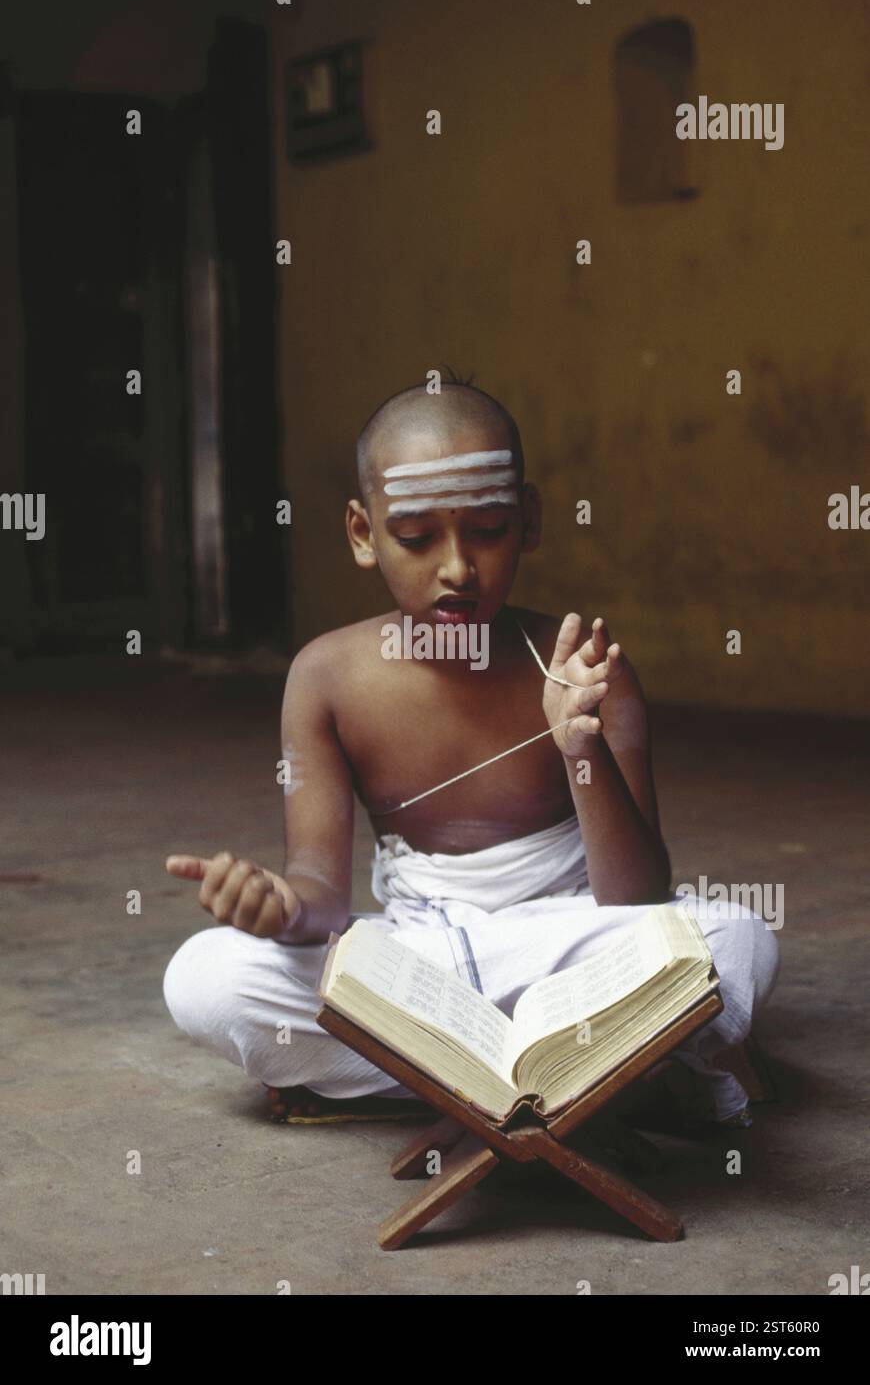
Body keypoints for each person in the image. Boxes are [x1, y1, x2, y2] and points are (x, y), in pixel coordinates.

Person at [162, 380, 779, 1125]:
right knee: (204, 977)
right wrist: (282, 907)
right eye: (416, 538)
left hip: (570, 945)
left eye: (487, 528)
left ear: (530, 521)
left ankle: (430, 1077)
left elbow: (636, 898)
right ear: (362, 533)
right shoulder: (325, 677)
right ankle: (604, 1072)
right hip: (424, 957)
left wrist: (578, 746)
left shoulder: (582, 664)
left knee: (738, 939)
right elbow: (321, 894)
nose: (456, 567)